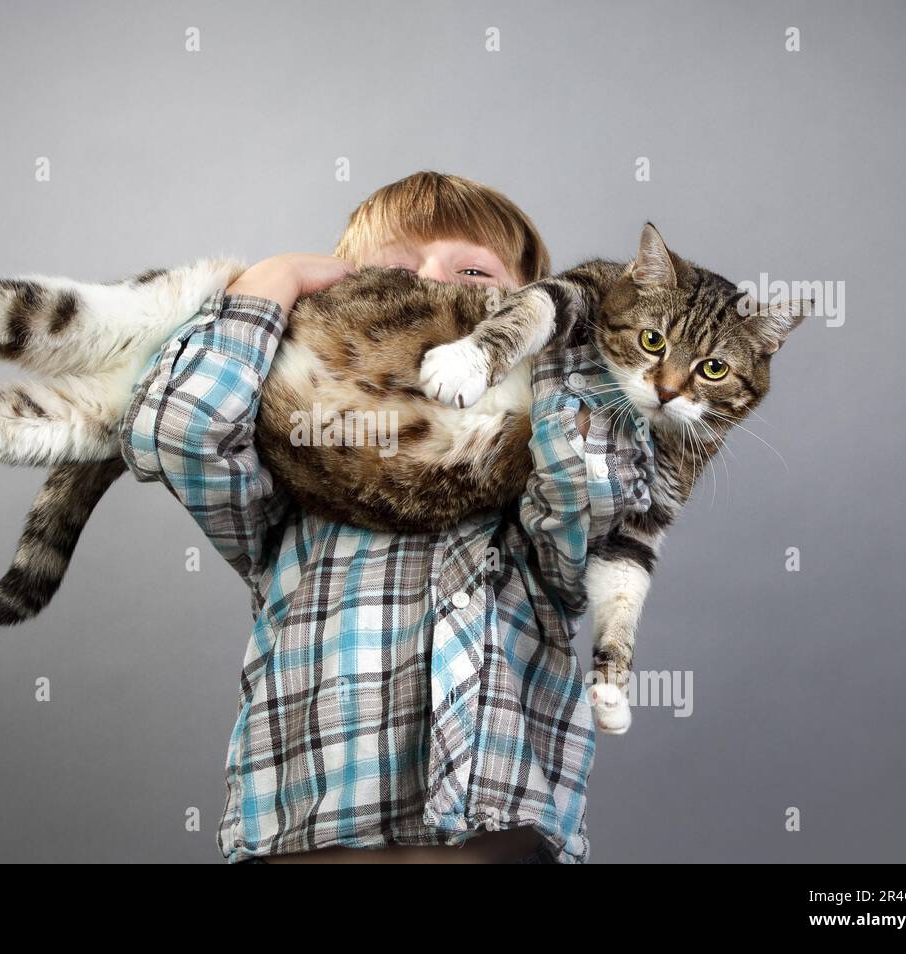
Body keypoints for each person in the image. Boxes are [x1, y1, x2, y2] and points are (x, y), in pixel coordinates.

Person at [121, 171, 653, 863]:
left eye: (472, 271)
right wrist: (273, 282)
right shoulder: (293, 489)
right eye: (398, 270)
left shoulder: (538, 498)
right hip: (307, 846)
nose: (435, 284)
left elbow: (593, 488)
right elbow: (180, 432)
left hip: (499, 845)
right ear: (349, 299)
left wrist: (555, 339)